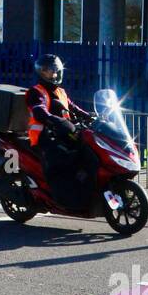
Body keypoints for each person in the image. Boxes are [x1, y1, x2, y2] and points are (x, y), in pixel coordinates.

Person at [26, 54, 95, 209]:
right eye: (49, 71)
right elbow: (39, 110)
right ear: (41, 73)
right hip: (44, 138)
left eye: (55, 71)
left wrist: (90, 116)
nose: (53, 74)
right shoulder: (36, 92)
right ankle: (61, 198)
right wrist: (54, 120)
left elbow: (73, 107)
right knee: (63, 161)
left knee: (85, 150)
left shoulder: (60, 91)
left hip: (62, 134)